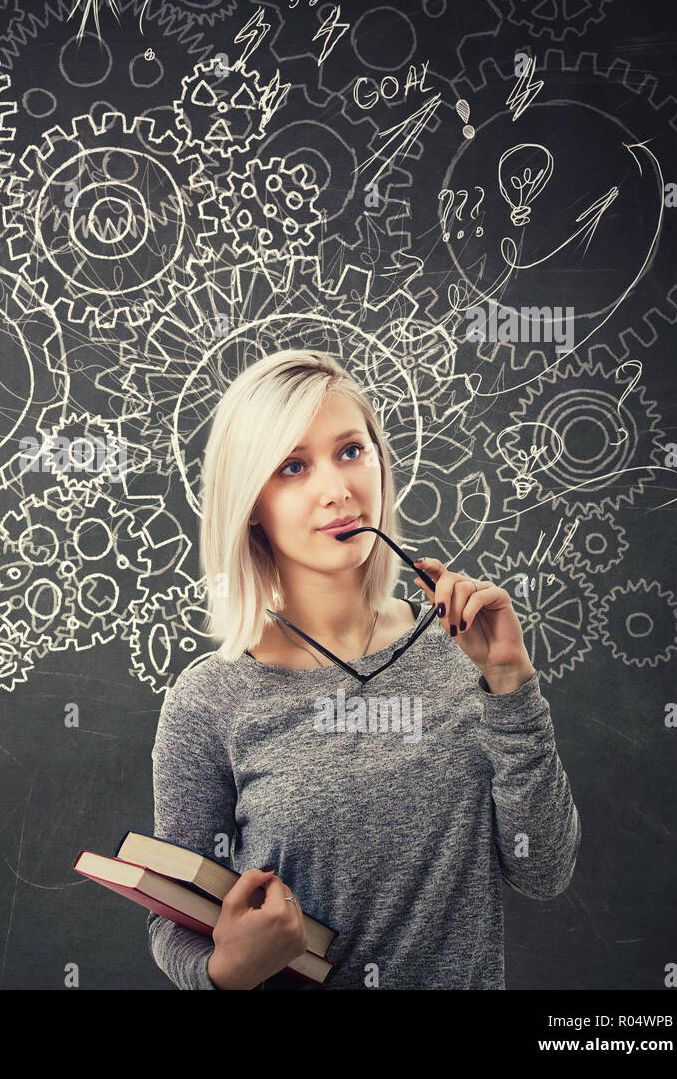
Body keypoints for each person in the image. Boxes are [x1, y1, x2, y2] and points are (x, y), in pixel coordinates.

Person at [148, 349, 581, 989]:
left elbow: (544, 870)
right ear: (251, 504)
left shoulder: (462, 647)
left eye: (351, 450)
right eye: (293, 466)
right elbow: (172, 921)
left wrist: (511, 686)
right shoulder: (211, 699)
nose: (338, 489)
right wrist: (223, 972)